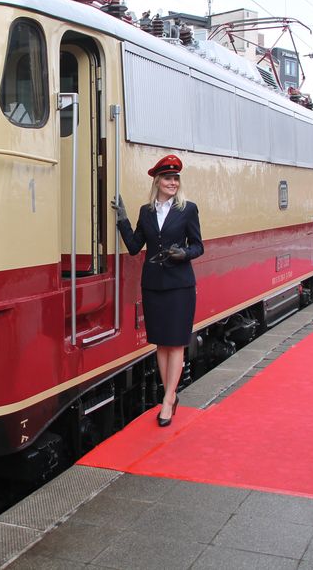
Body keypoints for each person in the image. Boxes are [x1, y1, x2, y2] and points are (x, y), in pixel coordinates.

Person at [112, 154, 203, 427]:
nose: (172, 182)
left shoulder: (188, 209)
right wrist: (123, 219)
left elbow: (199, 246)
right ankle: (170, 396)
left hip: (179, 286)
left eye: (176, 178)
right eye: (167, 178)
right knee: (161, 344)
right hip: (153, 285)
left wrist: (183, 253)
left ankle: (168, 399)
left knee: (175, 343)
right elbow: (133, 245)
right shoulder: (146, 211)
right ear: (157, 181)